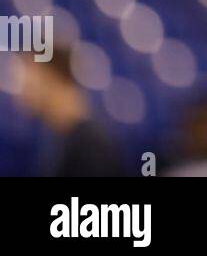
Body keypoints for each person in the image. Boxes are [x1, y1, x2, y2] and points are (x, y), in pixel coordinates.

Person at [17, 46, 126, 177]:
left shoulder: (91, 147)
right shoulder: (56, 139)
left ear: (52, 76)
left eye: (29, 78)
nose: (22, 89)